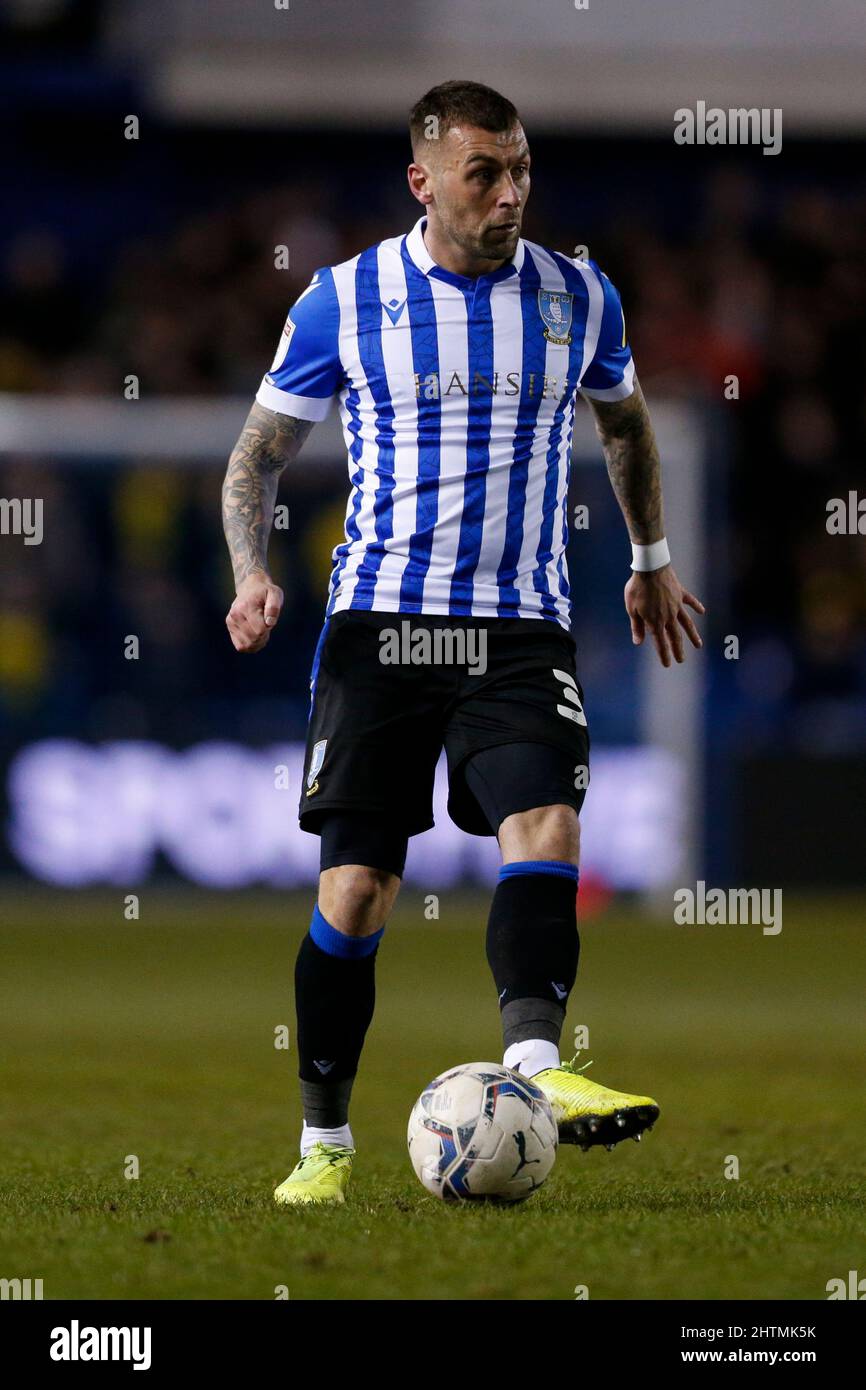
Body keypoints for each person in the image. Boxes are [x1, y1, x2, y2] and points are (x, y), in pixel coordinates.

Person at [221, 80, 705, 1206]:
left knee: (546, 818)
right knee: (357, 891)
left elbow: (624, 420)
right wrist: (251, 569)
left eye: (521, 169)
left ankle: (538, 1066)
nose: (507, 194)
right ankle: (324, 1144)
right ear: (422, 180)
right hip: (381, 621)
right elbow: (254, 457)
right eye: (483, 173)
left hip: (517, 622)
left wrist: (646, 557)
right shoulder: (345, 300)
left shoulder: (577, 298)